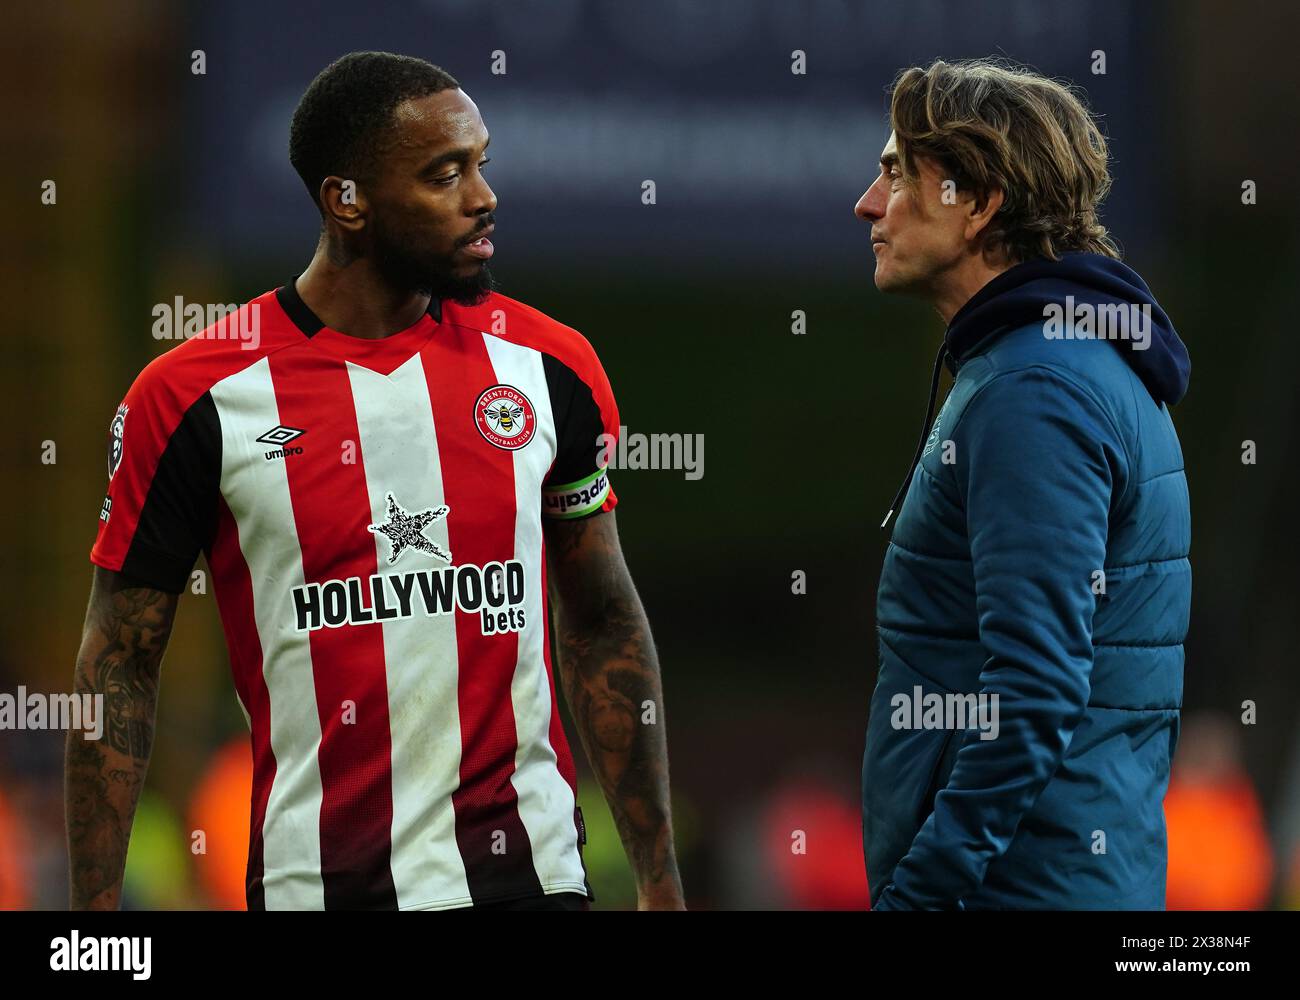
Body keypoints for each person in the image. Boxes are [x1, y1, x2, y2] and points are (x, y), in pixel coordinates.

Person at [66, 51, 684, 912]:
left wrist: (659, 885)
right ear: (345, 201)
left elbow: (603, 622)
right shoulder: (193, 399)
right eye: (445, 174)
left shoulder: (550, 368)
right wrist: (91, 924)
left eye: (482, 165)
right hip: (316, 889)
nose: (483, 196)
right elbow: (120, 664)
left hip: (530, 882)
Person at [856, 58, 1191, 909]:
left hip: (1011, 890)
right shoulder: (1066, 362)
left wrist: (921, 892)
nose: (869, 203)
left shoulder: (1032, 391)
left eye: (897, 173)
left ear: (978, 202)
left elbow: (1034, 689)